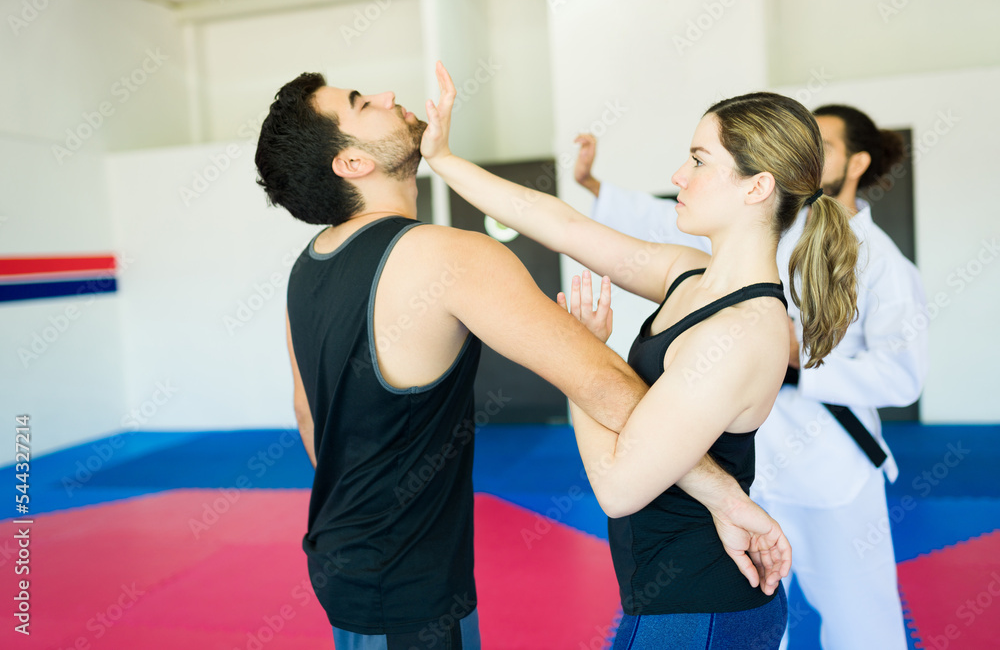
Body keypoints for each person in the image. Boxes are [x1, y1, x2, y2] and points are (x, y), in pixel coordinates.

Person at [254, 67, 792, 649]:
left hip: (340, 562)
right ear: (352, 163)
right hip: (410, 590)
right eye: (361, 103)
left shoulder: (307, 267)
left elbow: (310, 420)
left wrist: (446, 158)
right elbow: (599, 381)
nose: (386, 94)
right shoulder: (446, 255)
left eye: (699, 160)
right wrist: (725, 494)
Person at [421, 62, 860, 649]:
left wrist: (580, 352)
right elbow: (560, 223)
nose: (679, 175)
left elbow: (619, 485)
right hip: (670, 601)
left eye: (700, 161)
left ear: (757, 187)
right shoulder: (690, 273)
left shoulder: (742, 329)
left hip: (699, 611)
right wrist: (443, 159)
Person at [576, 105, 928, 649]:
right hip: (754, 464)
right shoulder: (766, 229)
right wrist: (595, 185)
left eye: (826, 146)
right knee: (757, 606)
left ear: (856, 162)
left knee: (862, 622)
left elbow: (902, 379)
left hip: (837, 471)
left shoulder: (883, 264)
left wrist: (798, 362)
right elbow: (660, 220)